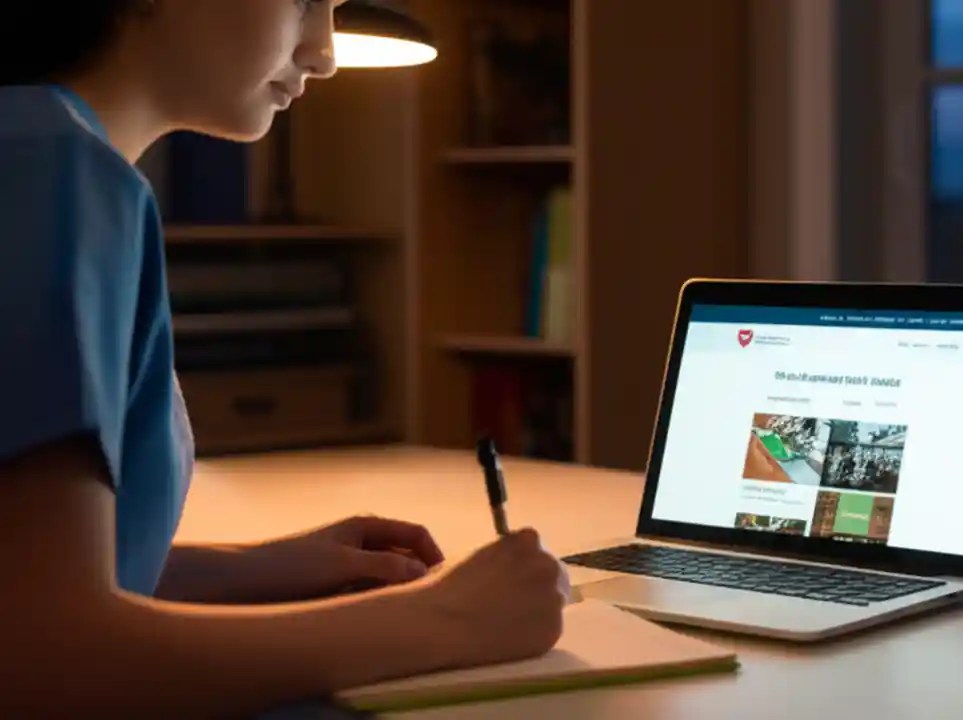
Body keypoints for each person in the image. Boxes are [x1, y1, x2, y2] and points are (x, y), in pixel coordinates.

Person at [0, 2, 570, 717]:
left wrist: (262, 569)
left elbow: (33, 579)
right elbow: (43, 653)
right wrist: (451, 621)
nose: (326, 51)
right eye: (304, 1)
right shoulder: (56, 172)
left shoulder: (35, 149)